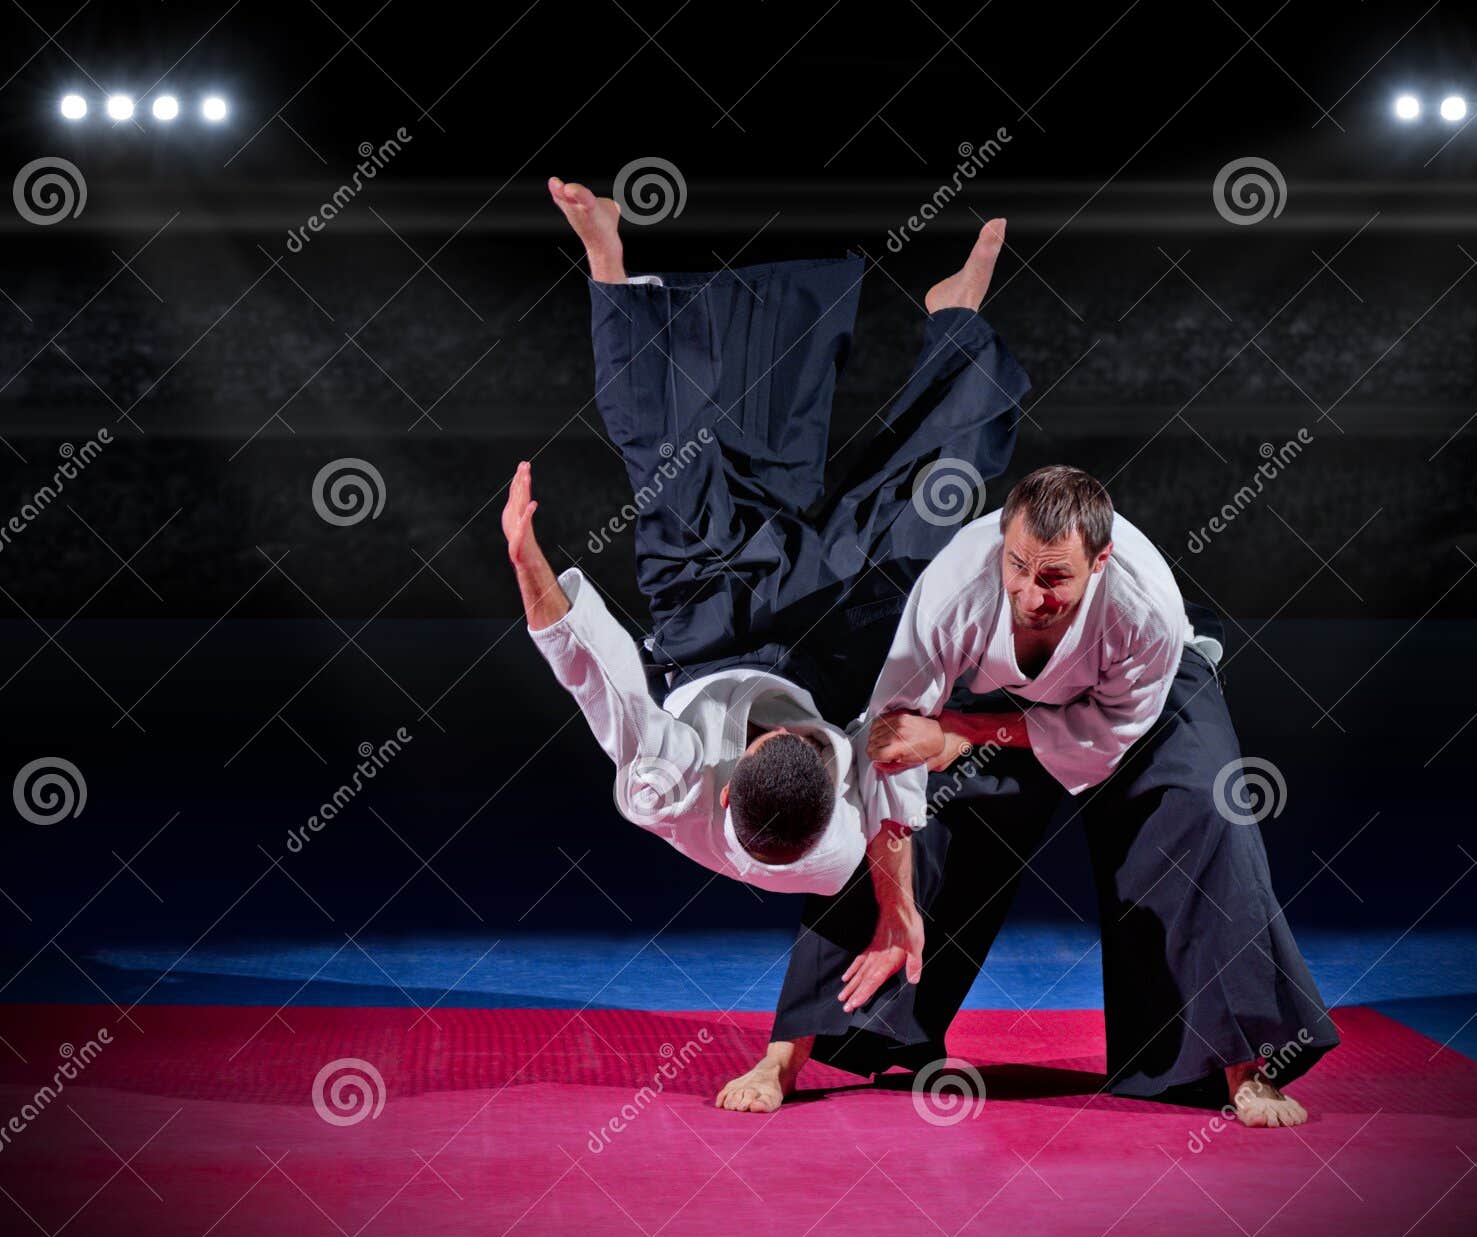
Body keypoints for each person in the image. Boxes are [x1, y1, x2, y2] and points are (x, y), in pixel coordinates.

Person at [717, 465, 1339, 1126]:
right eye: (1018, 566)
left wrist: (960, 732)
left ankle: (1244, 1067)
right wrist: (897, 906)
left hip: (1135, 702)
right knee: (909, 812)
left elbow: (1104, 738)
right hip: (995, 695)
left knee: (1207, 811)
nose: (1030, 594)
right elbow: (891, 749)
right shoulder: (953, 589)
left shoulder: (1146, 605)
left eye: (1054, 578)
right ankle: (783, 1055)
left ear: (1101, 562)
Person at [501, 176, 1026, 924]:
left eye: (761, 740)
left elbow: (596, 671)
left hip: (705, 630)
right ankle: (957, 321)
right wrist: (899, 912)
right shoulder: (844, 829)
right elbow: (892, 807)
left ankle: (608, 258)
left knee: (669, 469)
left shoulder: (667, 786)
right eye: (801, 743)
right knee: (921, 519)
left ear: (722, 786)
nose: (771, 728)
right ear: (828, 770)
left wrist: (525, 558)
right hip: (823, 657)